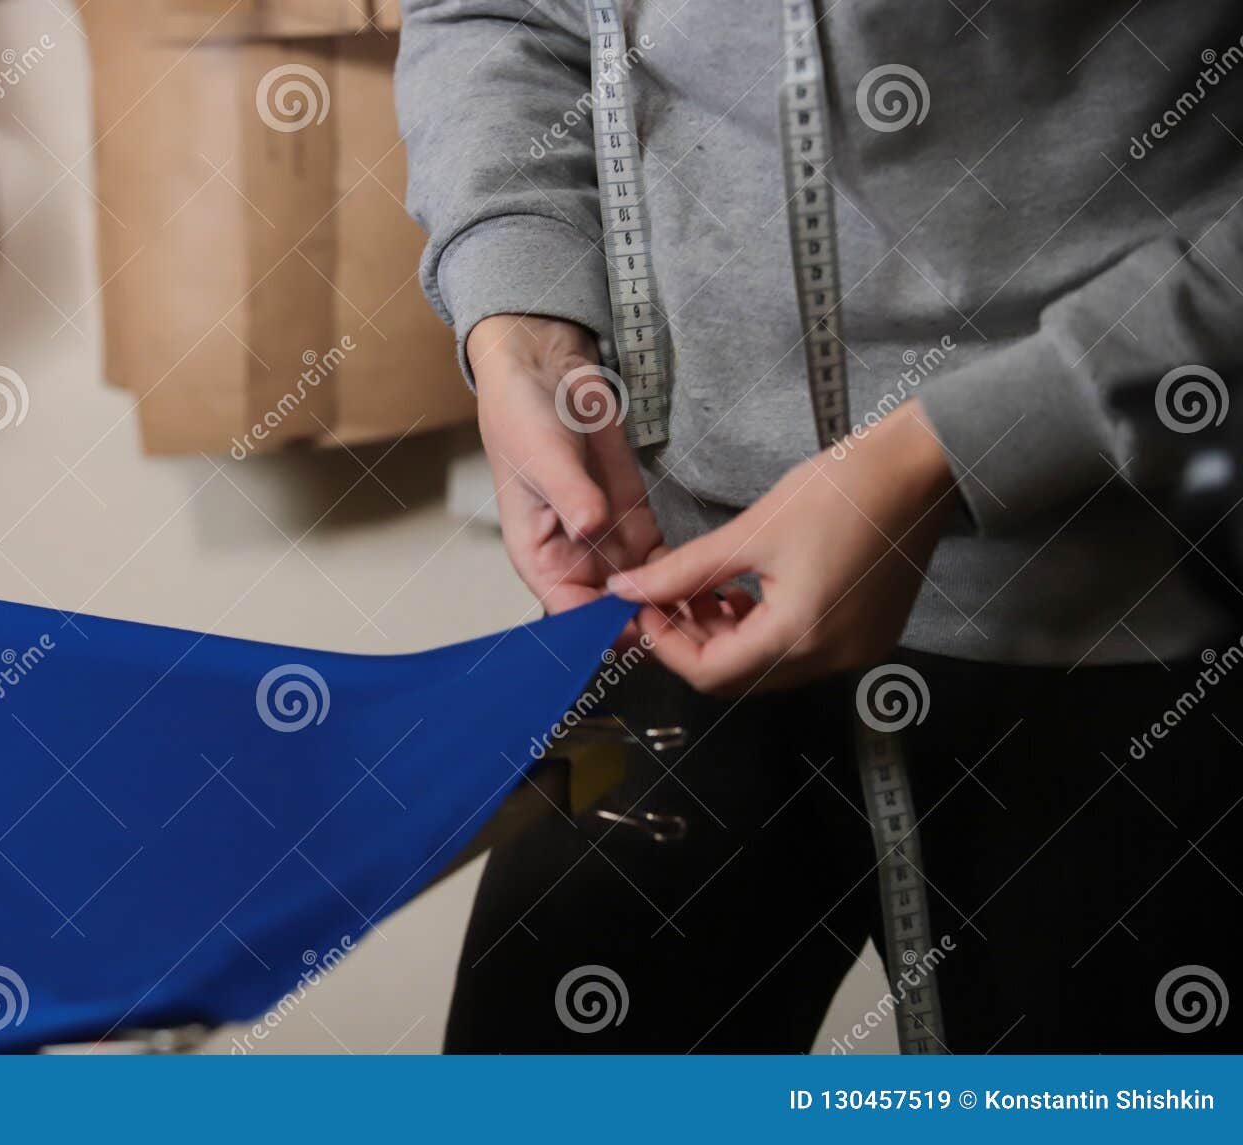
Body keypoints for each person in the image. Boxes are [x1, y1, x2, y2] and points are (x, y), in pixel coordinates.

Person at [396, 0, 1243, 1051]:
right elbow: (497, 15)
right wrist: (519, 326)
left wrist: (963, 442)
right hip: (681, 584)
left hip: (1140, 603)